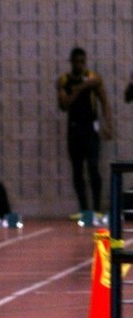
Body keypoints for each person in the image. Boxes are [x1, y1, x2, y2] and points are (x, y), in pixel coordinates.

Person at [57, 47, 113, 219]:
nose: (81, 65)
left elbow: (104, 102)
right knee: (77, 169)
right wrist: (81, 87)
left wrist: (108, 124)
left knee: (93, 167)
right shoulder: (64, 81)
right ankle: (83, 209)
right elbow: (64, 105)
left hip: (90, 128)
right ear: (72, 62)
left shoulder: (94, 79)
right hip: (74, 129)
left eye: (83, 62)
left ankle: (96, 208)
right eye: (77, 62)